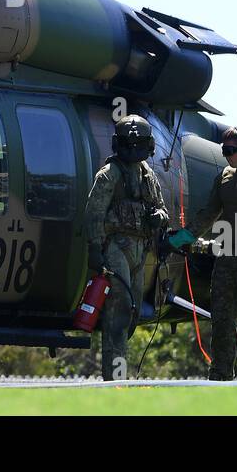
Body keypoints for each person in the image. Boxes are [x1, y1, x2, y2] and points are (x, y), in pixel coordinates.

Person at [167, 125, 237, 380]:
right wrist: (183, 237)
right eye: (224, 150)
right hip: (226, 260)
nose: (226, 155)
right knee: (221, 320)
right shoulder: (225, 178)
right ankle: (220, 374)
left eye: (230, 150)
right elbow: (209, 213)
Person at [85, 114, 170, 381]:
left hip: (139, 250)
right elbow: (94, 213)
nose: (133, 149)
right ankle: (115, 379)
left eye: (138, 144)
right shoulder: (109, 175)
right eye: (128, 143)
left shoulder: (147, 175)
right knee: (119, 309)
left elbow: (161, 208)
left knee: (132, 312)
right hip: (115, 247)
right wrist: (95, 249)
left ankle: (118, 371)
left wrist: (159, 218)